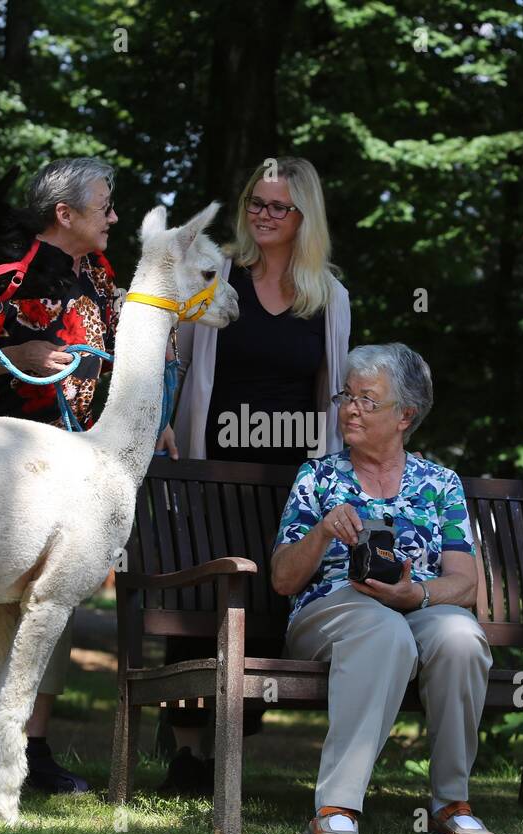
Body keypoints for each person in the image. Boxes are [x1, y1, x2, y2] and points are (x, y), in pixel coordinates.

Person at [152, 157, 351, 795]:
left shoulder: (330, 295)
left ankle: (230, 747)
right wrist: (162, 417)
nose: (263, 217)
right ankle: (185, 753)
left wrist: (333, 473)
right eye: (256, 204)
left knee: (267, 602)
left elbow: (336, 389)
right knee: (198, 599)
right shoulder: (218, 273)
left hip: (292, 481)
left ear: (304, 218)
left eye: (278, 208)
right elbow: (171, 349)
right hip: (211, 465)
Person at [0, 156, 127, 795]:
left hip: (70, 465)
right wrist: (11, 357)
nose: (115, 217)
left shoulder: (99, 275)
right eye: (105, 205)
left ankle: (27, 745)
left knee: (54, 594)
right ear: (64, 213)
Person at [270, 343, 497, 834]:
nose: (351, 408)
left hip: (412, 607)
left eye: (368, 400)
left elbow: (464, 581)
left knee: (462, 635)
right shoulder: (319, 476)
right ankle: (337, 808)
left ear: (405, 416)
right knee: (383, 630)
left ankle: (451, 804)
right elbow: (283, 579)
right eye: (347, 396)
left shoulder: (440, 484)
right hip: (330, 612)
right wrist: (323, 532)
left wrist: (414, 593)